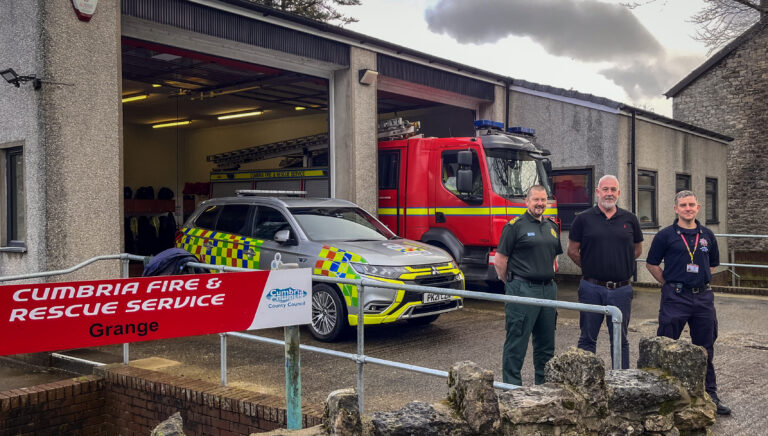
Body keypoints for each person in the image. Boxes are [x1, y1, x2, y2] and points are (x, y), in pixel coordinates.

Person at [645, 190, 731, 415]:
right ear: (676, 209)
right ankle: (660, 394)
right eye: (683, 205)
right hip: (675, 296)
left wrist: (697, 280)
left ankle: (709, 394)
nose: (688, 208)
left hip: (702, 298)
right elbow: (652, 264)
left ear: (698, 207)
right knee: (665, 345)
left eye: (691, 204)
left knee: (705, 349)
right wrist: (669, 283)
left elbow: (711, 264)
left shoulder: (707, 235)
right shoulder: (665, 235)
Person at [567, 175, 642, 369]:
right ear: (598, 192)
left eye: (613, 189)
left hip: (621, 290)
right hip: (591, 288)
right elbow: (572, 251)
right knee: (587, 339)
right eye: (605, 189)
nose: (609, 193)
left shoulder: (630, 219)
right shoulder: (583, 219)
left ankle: (621, 384)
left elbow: (637, 249)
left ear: (619, 193)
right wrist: (593, 266)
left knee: (620, 339)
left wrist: (619, 264)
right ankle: (584, 384)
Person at [495, 185, 562, 385]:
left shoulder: (552, 226)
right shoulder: (515, 226)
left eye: (543, 200)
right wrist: (512, 284)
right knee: (517, 342)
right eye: (536, 200)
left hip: (548, 290)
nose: (540, 204)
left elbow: (554, 258)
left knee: (546, 345)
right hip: (522, 289)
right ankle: (512, 390)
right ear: (527, 201)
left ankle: (543, 388)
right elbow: (500, 261)